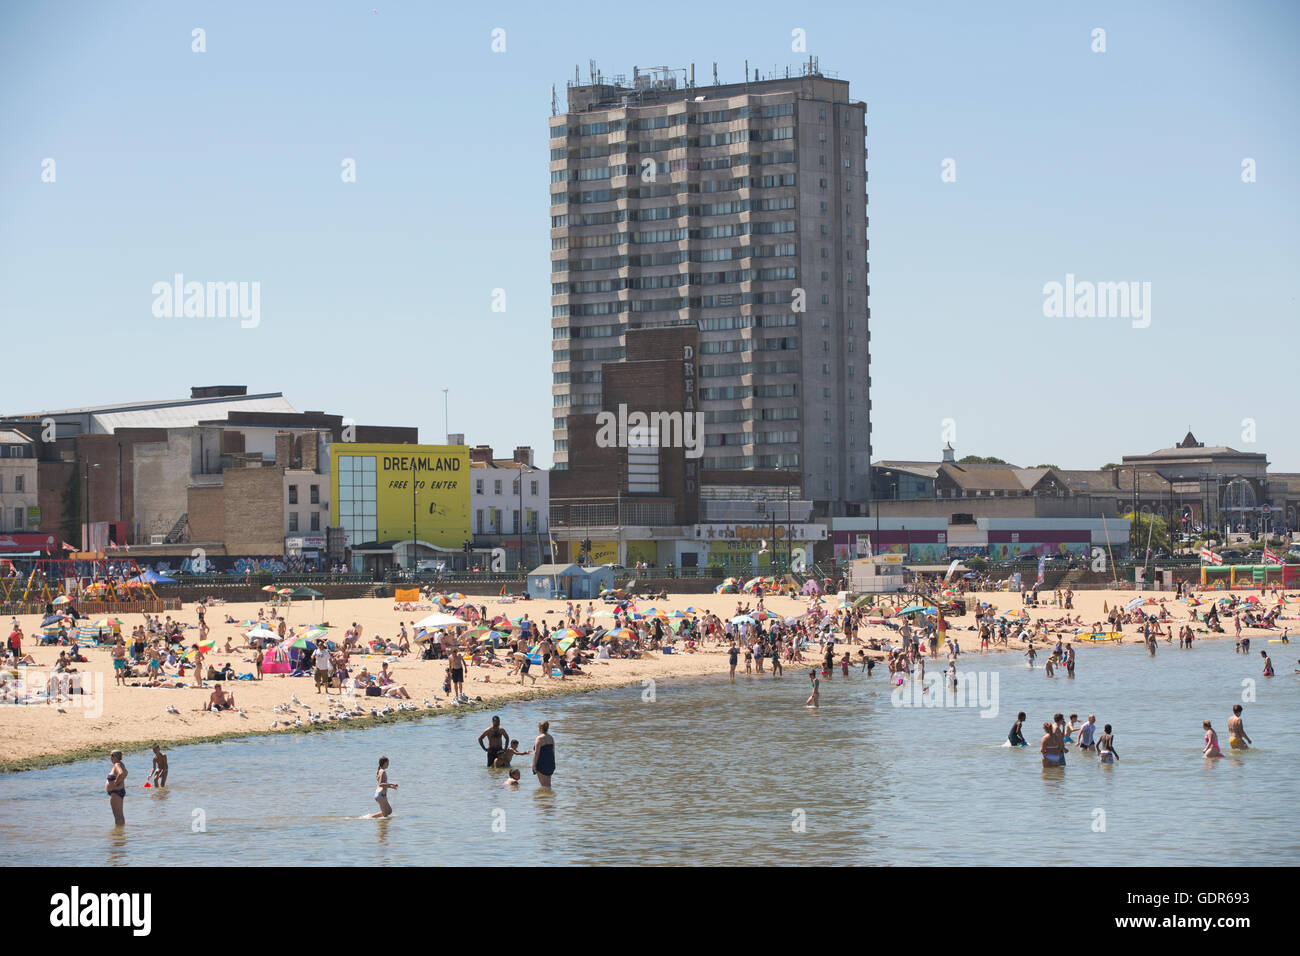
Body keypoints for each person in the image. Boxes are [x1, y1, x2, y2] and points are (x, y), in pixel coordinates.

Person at [105, 750, 127, 825]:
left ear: (116, 756)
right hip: (118, 791)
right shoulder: (121, 764)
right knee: (120, 816)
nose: (110, 758)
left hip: (116, 792)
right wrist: (120, 781)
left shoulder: (117, 765)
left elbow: (121, 773)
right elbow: (126, 773)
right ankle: (121, 833)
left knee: (118, 817)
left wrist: (116, 783)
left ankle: (118, 835)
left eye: (111, 755)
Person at [532, 721, 556, 788]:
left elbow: (536, 753)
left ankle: (544, 798)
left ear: (540, 728)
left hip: (542, 763)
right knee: (548, 784)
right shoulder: (551, 738)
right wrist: (553, 763)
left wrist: (534, 765)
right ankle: (549, 798)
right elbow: (553, 751)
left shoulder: (539, 738)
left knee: (543, 785)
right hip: (550, 763)